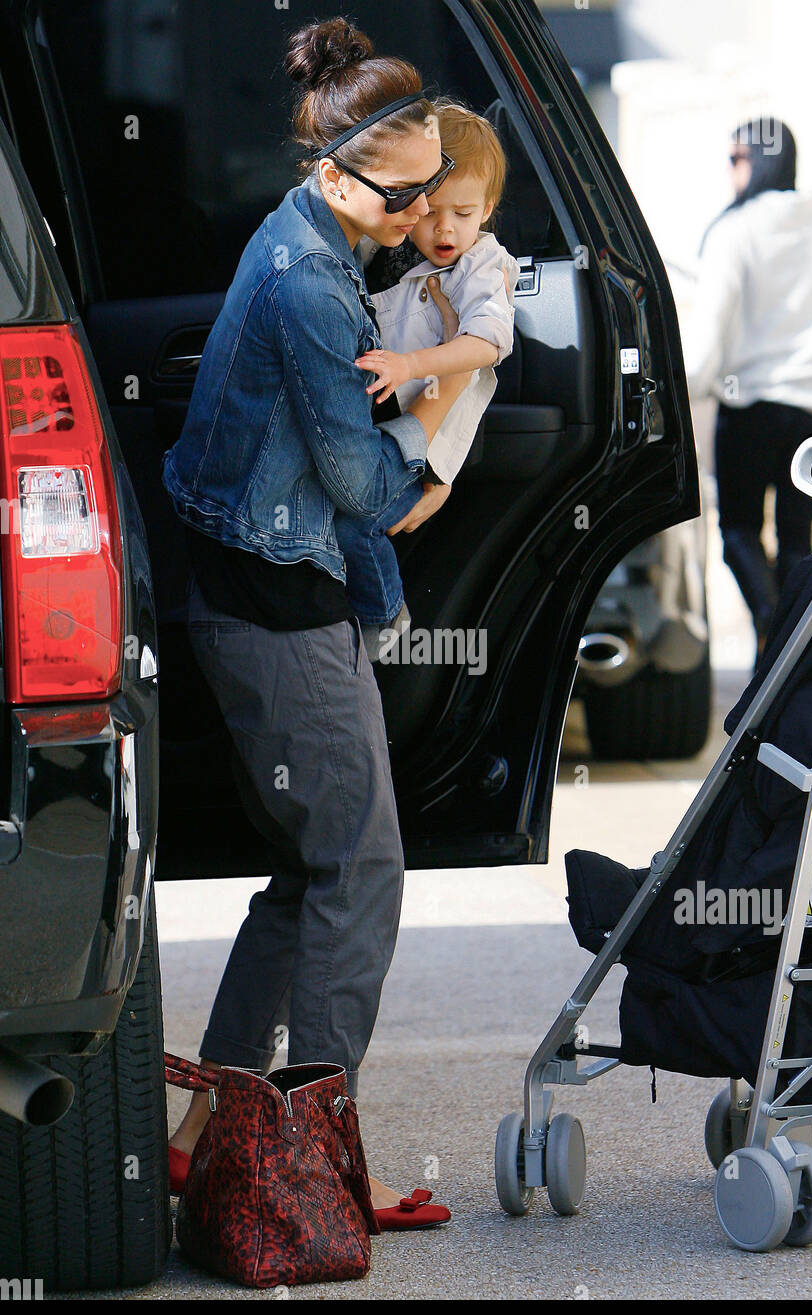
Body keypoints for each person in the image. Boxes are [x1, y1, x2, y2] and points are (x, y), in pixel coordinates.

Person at [160, 17, 472, 1229]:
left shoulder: (313, 246)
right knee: (359, 870)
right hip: (278, 607)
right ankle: (317, 1168)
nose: (422, 216)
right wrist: (430, 473)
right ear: (335, 175)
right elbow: (355, 485)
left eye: (436, 189)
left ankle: (211, 1139)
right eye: (404, 200)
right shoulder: (305, 283)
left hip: (259, 593)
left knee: (307, 872)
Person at [334, 101, 520, 659]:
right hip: (392, 422)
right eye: (430, 210)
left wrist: (412, 365)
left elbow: (487, 342)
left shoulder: (482, 264)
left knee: (361, 519)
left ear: (487, 209)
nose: (444, 229)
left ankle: (386, 618)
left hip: (434, 435)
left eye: (463, 214)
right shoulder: (393, 251)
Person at [684, 117, 812, 659]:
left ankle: (773, 628)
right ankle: (797, 652)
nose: (732, 171)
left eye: (736, 159)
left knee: (737, 528)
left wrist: (678, 387)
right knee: (794, 537)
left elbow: (709, 341)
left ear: (756, 161)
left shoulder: (734, 230)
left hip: (752, 404)